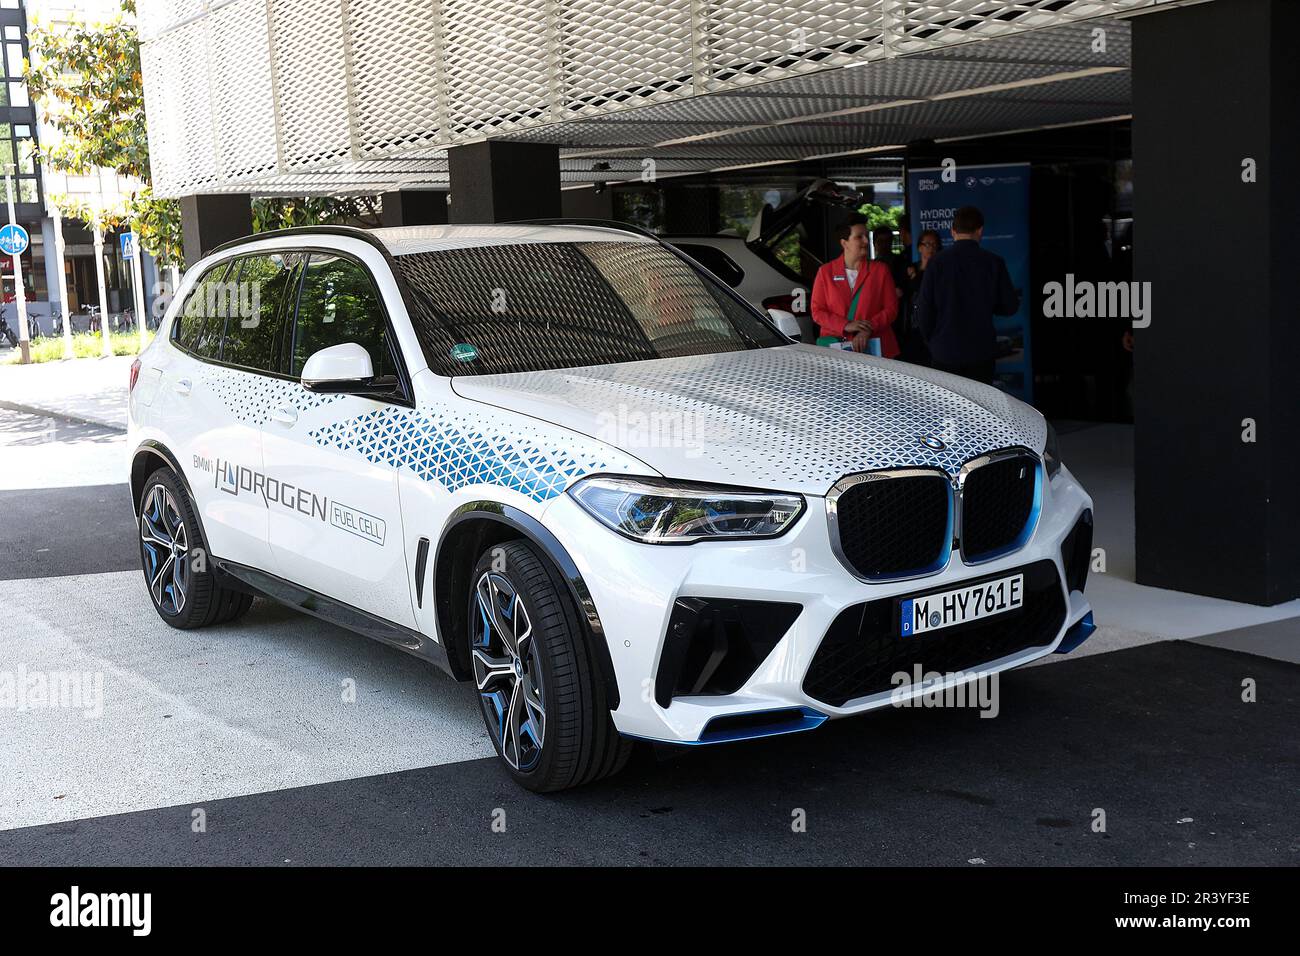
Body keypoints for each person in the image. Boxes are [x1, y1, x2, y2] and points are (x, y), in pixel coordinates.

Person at [913, 205, 1018, 384]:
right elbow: (1010, 306)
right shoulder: (994, 263)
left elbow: (923, 310)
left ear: (953, 231)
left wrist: (933, 341)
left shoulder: (936, 263)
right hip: (981, 352)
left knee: (947, 410)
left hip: (944, 351)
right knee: (981, 409)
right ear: (980, 230)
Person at [811, 216, 899, 357]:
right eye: (859, 237)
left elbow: (891, 309)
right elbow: (817, 312)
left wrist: (868, 328)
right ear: (844, 243)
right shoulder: (825, 272)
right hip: (837, 350)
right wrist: (845, 325)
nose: (866, 241)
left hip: (877, 349)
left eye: (866, 236)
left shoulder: (880, 270)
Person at [897, 228, 941, 365]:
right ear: (919, 247)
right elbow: (901, 292)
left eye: (934, 244)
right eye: (927, 244)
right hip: (912, 326)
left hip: (934, 328)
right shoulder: (910, 268)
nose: (931, 248)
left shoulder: (941, 270)